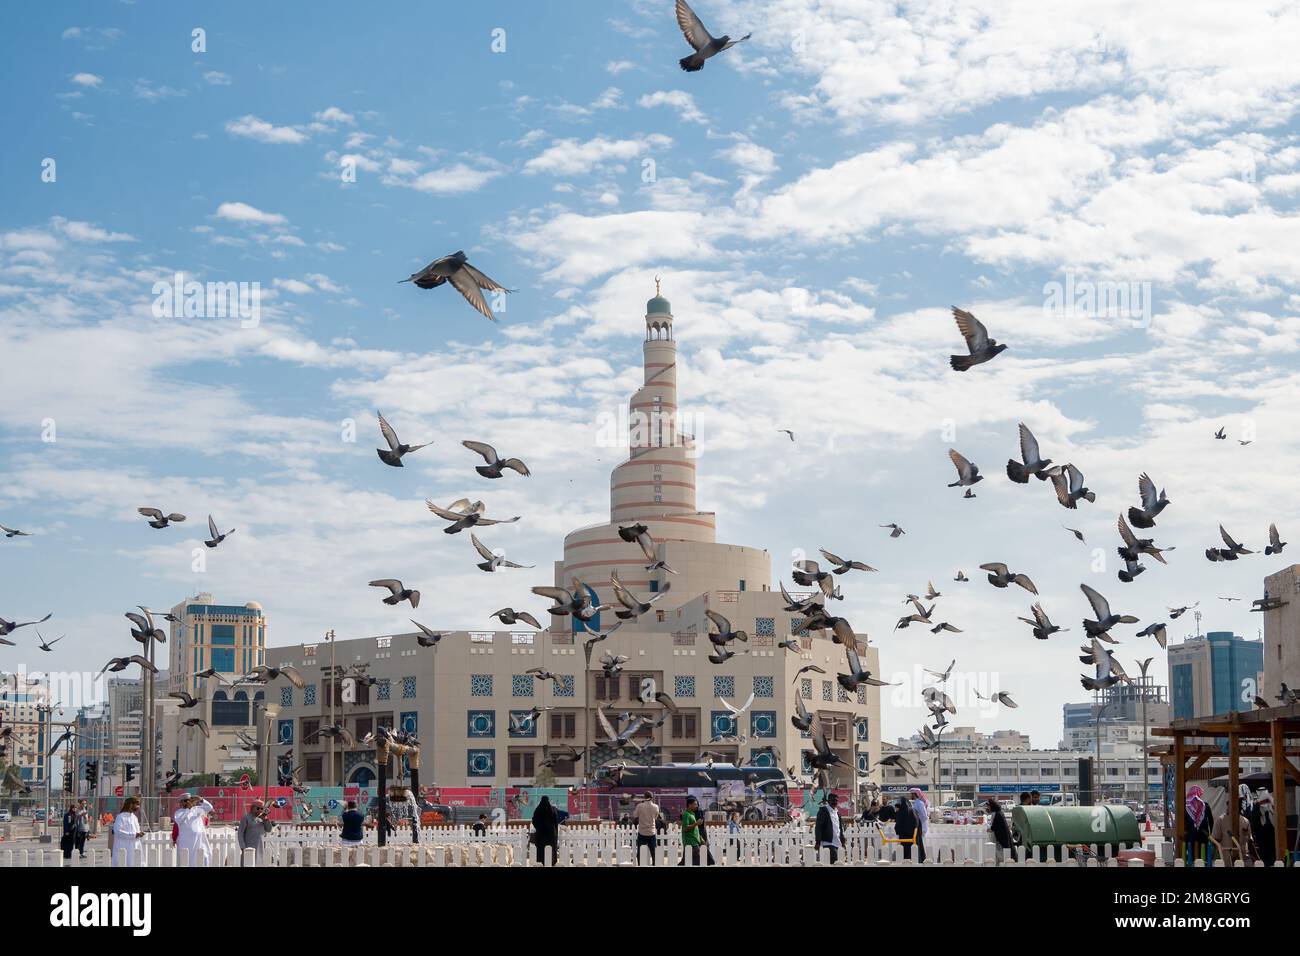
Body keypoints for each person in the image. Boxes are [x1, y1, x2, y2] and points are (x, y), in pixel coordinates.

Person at [173, 792, 215, 866]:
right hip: (186, 843)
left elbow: (210, 808)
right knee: (187, 861)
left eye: (189, 800)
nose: (187, 803)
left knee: (204, 859)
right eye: (185, 801)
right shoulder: (178, 812)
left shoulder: (197, 809)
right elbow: (180, 820)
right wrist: (188, 809)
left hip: (199, 841)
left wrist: (201, 800)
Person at [236, 799, 274, 865]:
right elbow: (240, 833)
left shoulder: (262, 818)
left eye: (262, 808)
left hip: (260, 849)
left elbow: (269, 829)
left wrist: (265, 819)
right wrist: (243, 847)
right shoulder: (246, 818)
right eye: (258, 808)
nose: (260, 810)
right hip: (248, 848)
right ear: (252, 808)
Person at [1183, 785, 1213, 864]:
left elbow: (1183, 821)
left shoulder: (1185, 807)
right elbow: (1211, 820)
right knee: (1204, 855)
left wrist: (1185, 831)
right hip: (1204, 834)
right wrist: (1211, 833)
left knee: (1190, 854)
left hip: (1190, 835)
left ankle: (1192, 862)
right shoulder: (1205, 805)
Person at [110, 797, 142, 867]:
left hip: (133, 847)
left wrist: (139, 834)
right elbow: (117, 832)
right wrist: (134, 835)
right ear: (130, 805)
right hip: (122, 847)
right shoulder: (120, 817)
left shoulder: (134, 817)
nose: (138, 807)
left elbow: (137, 831)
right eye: (137, 804)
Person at [1249, 789, 1276, 867]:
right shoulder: (1256, 811)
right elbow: (1254, 824)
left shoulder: (1271, 813)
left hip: (1272, 847)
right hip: (1262, 846)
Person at [986, 797, 1016, 864]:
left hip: (1001, 837)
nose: (988, 808)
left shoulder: (995, 813)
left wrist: (989, 829)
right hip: (1004, 835)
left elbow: (994, 826)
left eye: (988, 806)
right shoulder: (999, 812)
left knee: (1002, 855)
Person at [814, 793, 843, 863]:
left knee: (837, 863)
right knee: (832, 861)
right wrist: (818, 841)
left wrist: (843, 840)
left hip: (837, 843)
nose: (834, 802)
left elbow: (839, 827)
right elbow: (818, 826)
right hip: (828, 842)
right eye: (832, 800)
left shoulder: (837, 812)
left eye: (836, 800)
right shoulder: (824, 811)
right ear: (828, 801)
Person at [633, 791, 660, 865]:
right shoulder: (656, 806)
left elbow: (635, 815)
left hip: (642, 832)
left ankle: (639, 865)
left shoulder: (640, 806)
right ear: (652, 798)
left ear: (644, 797)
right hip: (652, 832)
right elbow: (656, 817)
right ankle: (655, 864)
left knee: (640, 851)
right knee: (653, 851)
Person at [531, 795, 559, 865]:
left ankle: (541, 862)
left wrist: (538, 827)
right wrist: (555, 830)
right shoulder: (553, 810)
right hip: (551, 834)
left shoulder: (538, 810)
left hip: (541, 834)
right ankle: (552, 862)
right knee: (551, 849)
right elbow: (556, 821)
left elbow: (534, 821)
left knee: (541, 849)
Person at [677, 796, 703, 865]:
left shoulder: (692, 814)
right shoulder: (686, 814)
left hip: (694, 841)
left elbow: (694, 828)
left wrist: (700, 838)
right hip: (690, 842)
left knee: (685, 861)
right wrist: (696, 823)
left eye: (696, 804)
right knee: (695, 861)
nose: (696, 806)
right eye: (695, 804)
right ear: (689, 805)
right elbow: (685, 828)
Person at [893, 795, 919, 860]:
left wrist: (898, 831)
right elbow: (917, 823)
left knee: (904, 856)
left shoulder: (900, 812)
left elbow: (897, 826)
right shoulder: (913, 810)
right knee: (913, 856)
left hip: (903, 839)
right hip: (913, 838)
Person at [909, 787, 929, 863]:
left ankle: (922, 858)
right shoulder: (916, 803)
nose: (910, 796)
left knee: (921, 843)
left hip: (922, 827)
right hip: (918, 827)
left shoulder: (920, 803)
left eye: (911, 794)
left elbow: (924, 816)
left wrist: (918, 821)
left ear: (914, 794)